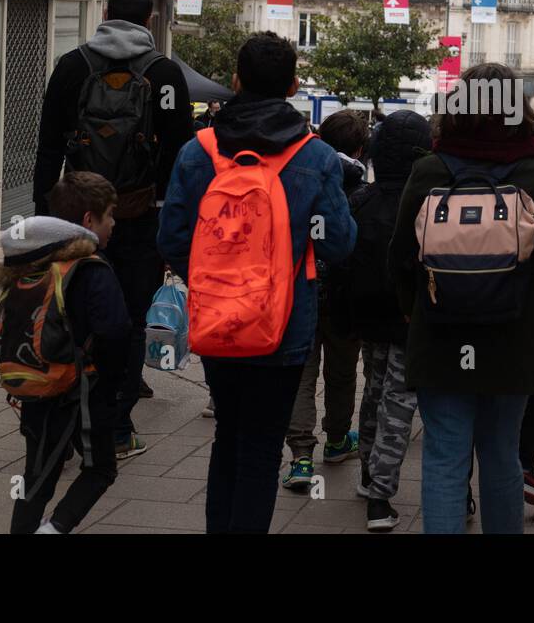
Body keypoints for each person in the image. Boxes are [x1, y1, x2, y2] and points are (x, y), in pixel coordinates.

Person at [389, 64, 534, 534]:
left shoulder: (430, 170)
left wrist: (412, 310)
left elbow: (400, 256)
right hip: (514, 334)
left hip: (441, 333)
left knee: (445, 456)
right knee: (501, 453)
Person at [157, 32, 355, 533]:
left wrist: (214, 282)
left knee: (228, 432)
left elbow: (172, 236)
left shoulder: (198, 151)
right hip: (284, 327)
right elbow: (338, 245)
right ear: (292, 86)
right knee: (263, 446)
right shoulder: (316, 157)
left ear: (236, 81)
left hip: (218, 324)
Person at [34, 0, 193, 460]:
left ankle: (63, 422)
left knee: (70, 312)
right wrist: (170, 218)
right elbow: (179, 154)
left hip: (78, 215)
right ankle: (117, 428)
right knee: (128, 319)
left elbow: (48, 145)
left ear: (105, 13)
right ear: (150, 18)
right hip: (140, 215)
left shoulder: (72, 66)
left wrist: (45, 214)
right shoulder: (165, 73)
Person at [5, 175, 130, 534]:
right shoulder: (93, 269)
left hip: (36, 383)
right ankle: (54, 529)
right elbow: (115, 332)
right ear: (89, 221)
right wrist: (111, 384)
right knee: (100, 468)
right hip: (84, 390)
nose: (114, 223)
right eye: (110, 215)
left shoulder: (31, 262)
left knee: (38, 474)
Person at [339, 110, 432, 531]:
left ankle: (365, 474)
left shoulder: (360, 200)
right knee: (399, 400)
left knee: (374, 392)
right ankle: (380, 496)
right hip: (406, 318)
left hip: (366, 315)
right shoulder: (425, 207)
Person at [282, 108, 368, 490]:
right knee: (342, 370)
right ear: (361, 148)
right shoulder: (361, 189)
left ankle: (301, 457)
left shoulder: (299, 177)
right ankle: (336, 440)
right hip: (345, 295)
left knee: (301, 373)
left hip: (301, 287)